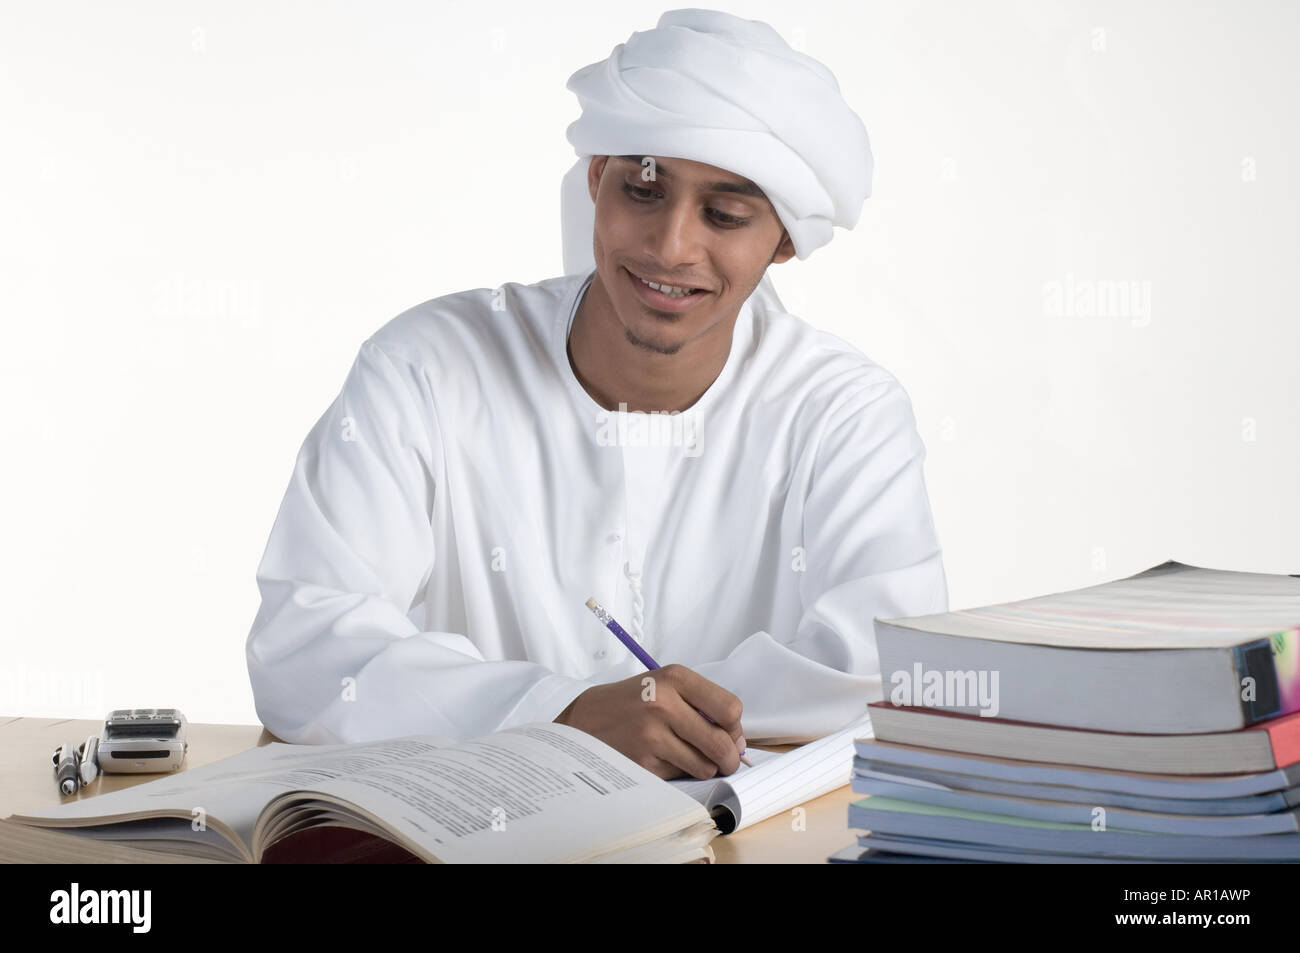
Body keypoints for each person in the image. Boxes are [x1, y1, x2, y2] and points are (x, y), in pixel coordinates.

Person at [245, 9, 948, 781]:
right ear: (595, 180)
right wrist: (564, 713)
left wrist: (649, 717)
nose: (672, 246)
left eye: (724, 214)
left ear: (781, 240)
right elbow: (305, 647)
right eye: (643, 191)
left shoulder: (846, 413)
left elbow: (889, 666)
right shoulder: (424, 369)